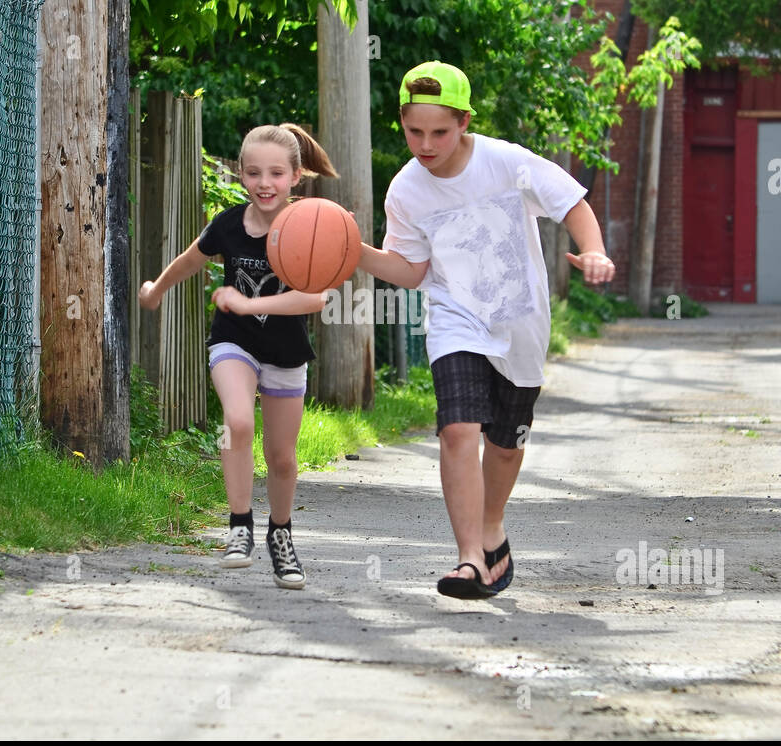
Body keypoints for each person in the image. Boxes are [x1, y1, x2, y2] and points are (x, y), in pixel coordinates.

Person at [358, 61, 615, 599]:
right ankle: (469, 558)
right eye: (414, 131)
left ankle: (492, 525)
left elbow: (573, 203)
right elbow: (410, 271)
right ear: (401, 123)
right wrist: (354, 253)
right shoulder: (406, 191)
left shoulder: (505, 163)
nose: (425, 144)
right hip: (456, 317)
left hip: (521, 323)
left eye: (439, 132)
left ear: (465, 122)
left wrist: (592, 250)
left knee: (504, 444)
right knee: (458, 430)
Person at [138, 124, 338, 589]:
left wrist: (250, 303)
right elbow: (191, 259)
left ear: (296, 176)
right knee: (238, 421)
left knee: (283, 458)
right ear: (241, 175)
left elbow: (315, 299)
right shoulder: (229, 223)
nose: (264, 183)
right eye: (253, 173)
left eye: (275, 173)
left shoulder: (310, 226)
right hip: (235, 343)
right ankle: (239, 527)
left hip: (286, 353)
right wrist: (156, 289)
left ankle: (281, 536)